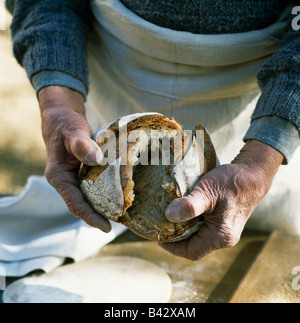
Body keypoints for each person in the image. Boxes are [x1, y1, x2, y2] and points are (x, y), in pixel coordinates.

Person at [5, 0, 300, 261]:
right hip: (109, 106)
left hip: (266, 131)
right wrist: (58, 101)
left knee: (266, 263)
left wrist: (262, 159)